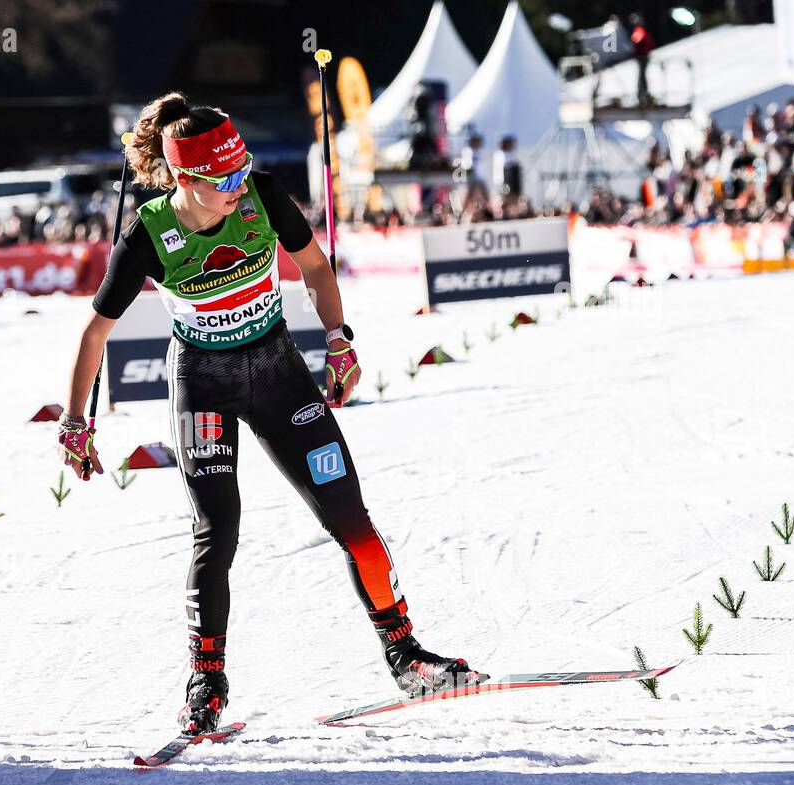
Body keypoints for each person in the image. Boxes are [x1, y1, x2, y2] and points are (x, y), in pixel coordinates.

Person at [57, 93, 485, 735]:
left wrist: (339, 340)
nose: (236, 185)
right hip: (205, 385)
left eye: (239, 170)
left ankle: (406, 655)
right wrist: (74, 423)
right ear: (183, 177)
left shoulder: (263, 194)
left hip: (281, 376)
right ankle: (207, 681)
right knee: (217, 528)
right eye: (221, 178)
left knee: (351, 518)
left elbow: (314, 266)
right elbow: (95, 333)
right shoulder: (147, 234)